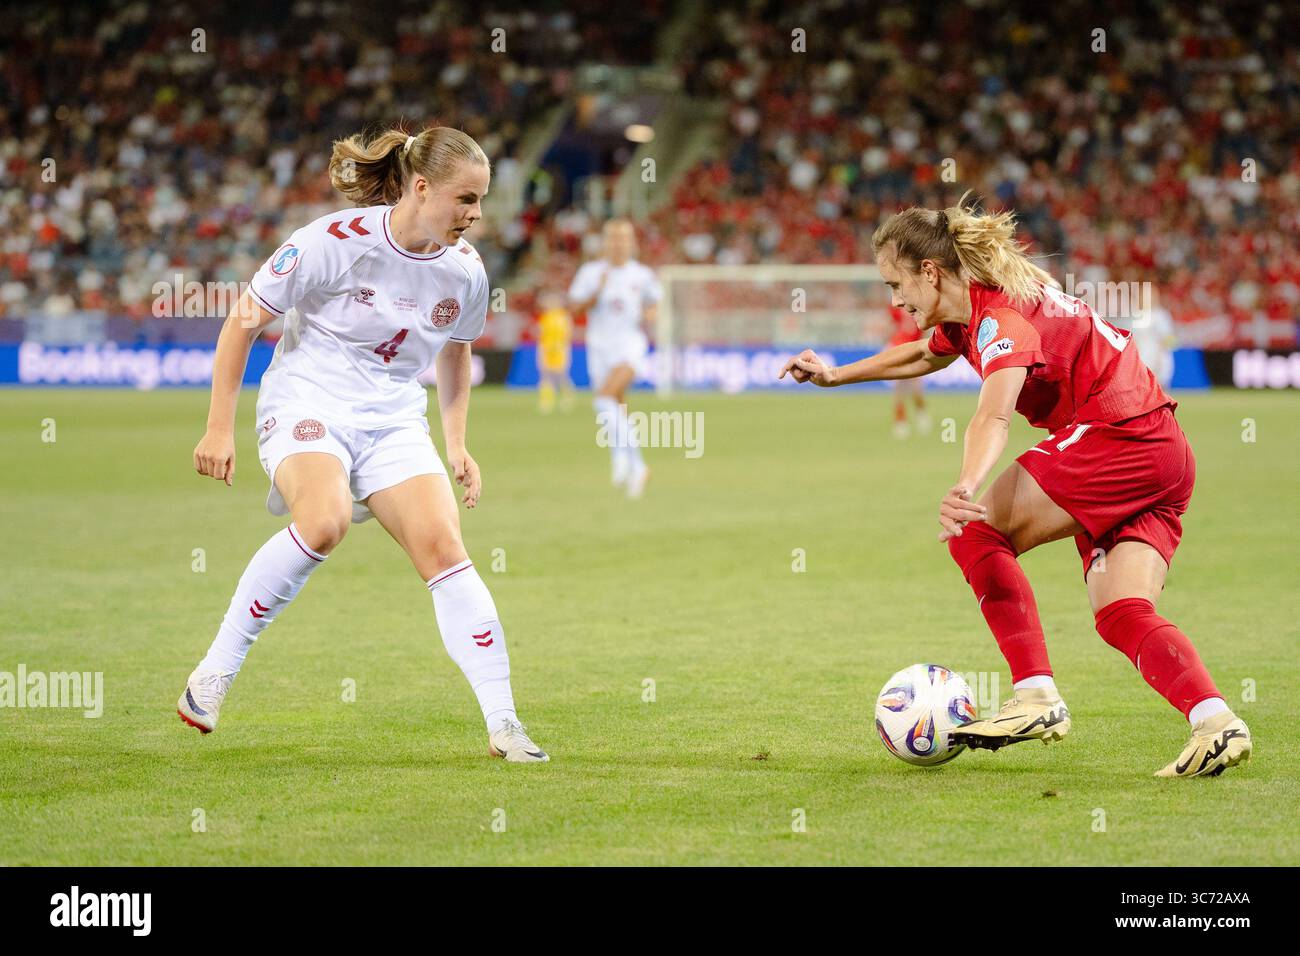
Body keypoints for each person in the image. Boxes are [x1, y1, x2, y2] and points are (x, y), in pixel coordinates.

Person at [779, 197, 1251, 778]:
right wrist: (835, 374)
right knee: (1121, 610)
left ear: (930, 272)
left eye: (894, 284)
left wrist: (966, 485)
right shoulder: (972, 310)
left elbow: (994, 416)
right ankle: (1215, 720)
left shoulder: (1000, 317)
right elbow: (925, 354)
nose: (894, 300)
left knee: (974, 530)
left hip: (1118, 436)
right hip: (1162, 451)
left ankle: (1035, 697)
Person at [181, 125, 549, 762]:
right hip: (307, 402)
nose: (476, 214)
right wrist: (219, 426)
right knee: (323, 524)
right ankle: (214, 672)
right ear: (422, 186)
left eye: (481, 200)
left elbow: (457, 357)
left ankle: (504, 723)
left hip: (393, 420)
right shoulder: (332, 242)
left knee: (445, 548)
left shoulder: (465, 271)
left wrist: (456, 444)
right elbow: (244, 319)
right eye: (465, 199)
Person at [567, 220, 661, 498]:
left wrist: (650, 315)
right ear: (605, 242)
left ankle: (631, 463)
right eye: (614, 239)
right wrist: (597, 290)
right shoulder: (591, 272)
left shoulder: (642, 275)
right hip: (599, 347)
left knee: (603, 399)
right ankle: (632, 463)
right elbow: (574, 309)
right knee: (617, 407)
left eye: (624, 239)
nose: (619, 244)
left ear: (632, 243)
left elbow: (654, 302)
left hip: (630, 345)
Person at [887, 305, 932, 438]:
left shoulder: (916, 305)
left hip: (914, 349)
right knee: (899, 387)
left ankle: (921, 414)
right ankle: (901, 421)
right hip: (899, 348)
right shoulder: (896, 307)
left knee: (915, 386)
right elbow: (892, 326)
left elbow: (924, 328)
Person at [535, 289, 575, 413]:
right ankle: (546, 401)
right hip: (546, 349)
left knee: (561, 376)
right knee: (545, 376)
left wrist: (562, 347)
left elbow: (568, 335)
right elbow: (540, 334)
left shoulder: (564, 317)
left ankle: (567, 398)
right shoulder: (545, 317)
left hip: (560, 350)